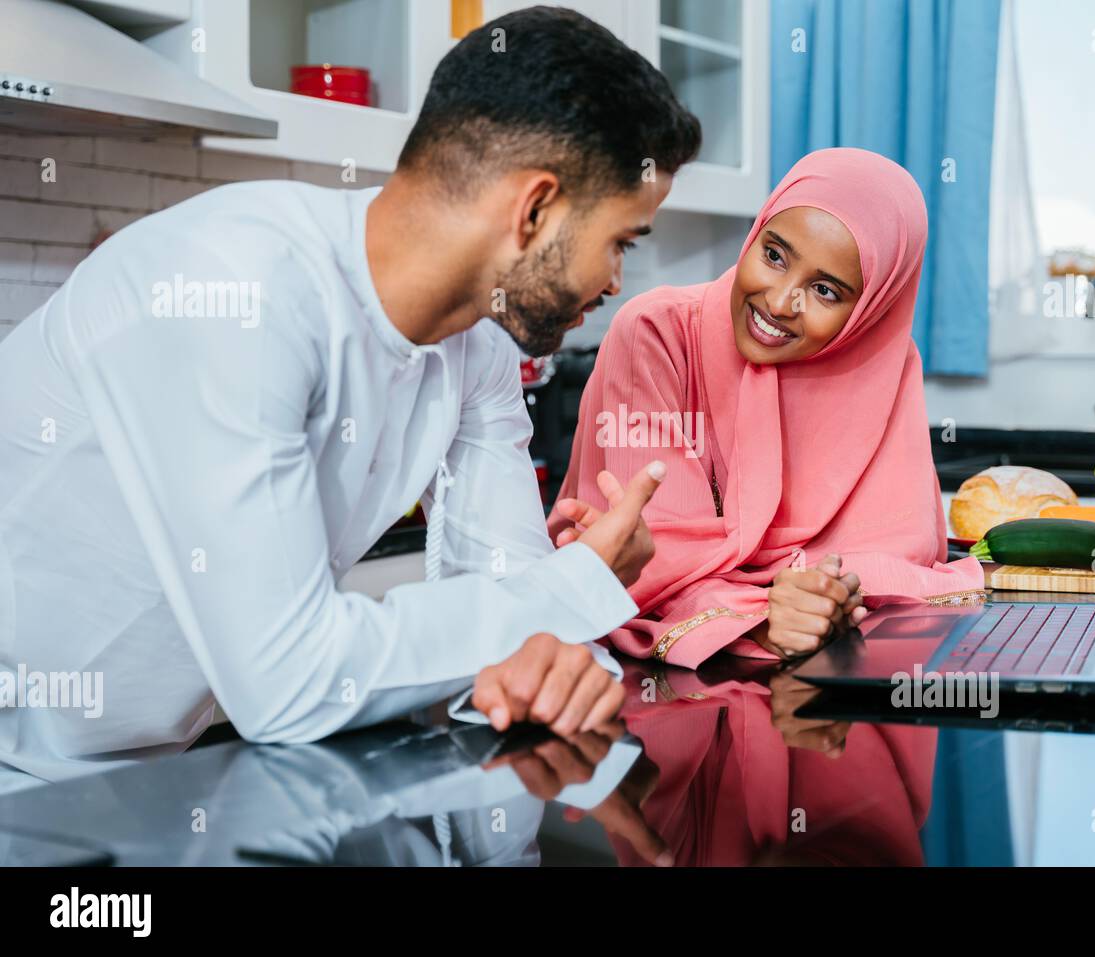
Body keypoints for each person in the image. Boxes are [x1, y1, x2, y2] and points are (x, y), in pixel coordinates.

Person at [0, 6, 701, 785]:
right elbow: (293, 680)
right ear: (533, 210)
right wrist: (575, 588)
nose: (615, 282)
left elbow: (510, 611)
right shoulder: (237, 289)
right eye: (621, 242)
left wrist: (542, 652)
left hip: (182, 766)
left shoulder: (479, 349)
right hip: (21, 770)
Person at [548, 148, 985, 669]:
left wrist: (825, 597)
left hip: (833, 680)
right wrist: (770, 612)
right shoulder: (655, 333)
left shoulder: (884, 365)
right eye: (774, 255)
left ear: (869, 313)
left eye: (824, 290)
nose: (779, 303)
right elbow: (644, 558)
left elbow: (901, 550)